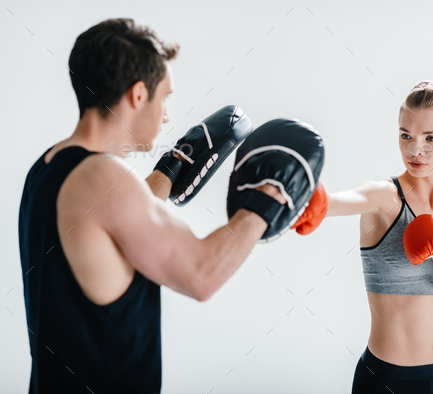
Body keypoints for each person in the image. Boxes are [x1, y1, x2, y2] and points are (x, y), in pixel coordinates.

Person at [18, 18, 322, 393]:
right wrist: (270, 195)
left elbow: (112, 228)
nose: (166, 114)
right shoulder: (106, 177)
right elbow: (201, 274)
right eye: (165, 96)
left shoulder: (49, 167)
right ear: (138, 95)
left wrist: (170, 168)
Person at [315, 80, 433, 393]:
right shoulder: (385, 198)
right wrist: (303, 197)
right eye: (405, 135)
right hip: (384, 380)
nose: (414, 149)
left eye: (430, 138)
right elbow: (337, 202)